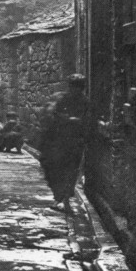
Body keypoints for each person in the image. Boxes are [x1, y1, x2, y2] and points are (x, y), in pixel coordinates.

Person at [39, 75, 90, 207]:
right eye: (73, 86)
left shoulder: (85, 102)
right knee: (57, 169)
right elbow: (55, 114)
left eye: (78, 87)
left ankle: (66, 199)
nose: (75, 90)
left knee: (71, 170)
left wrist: (78, 123)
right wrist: (67, 119)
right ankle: (59, 196)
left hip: (75, 141)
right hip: (60, 140)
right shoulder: (63, 99)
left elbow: (87, 120)